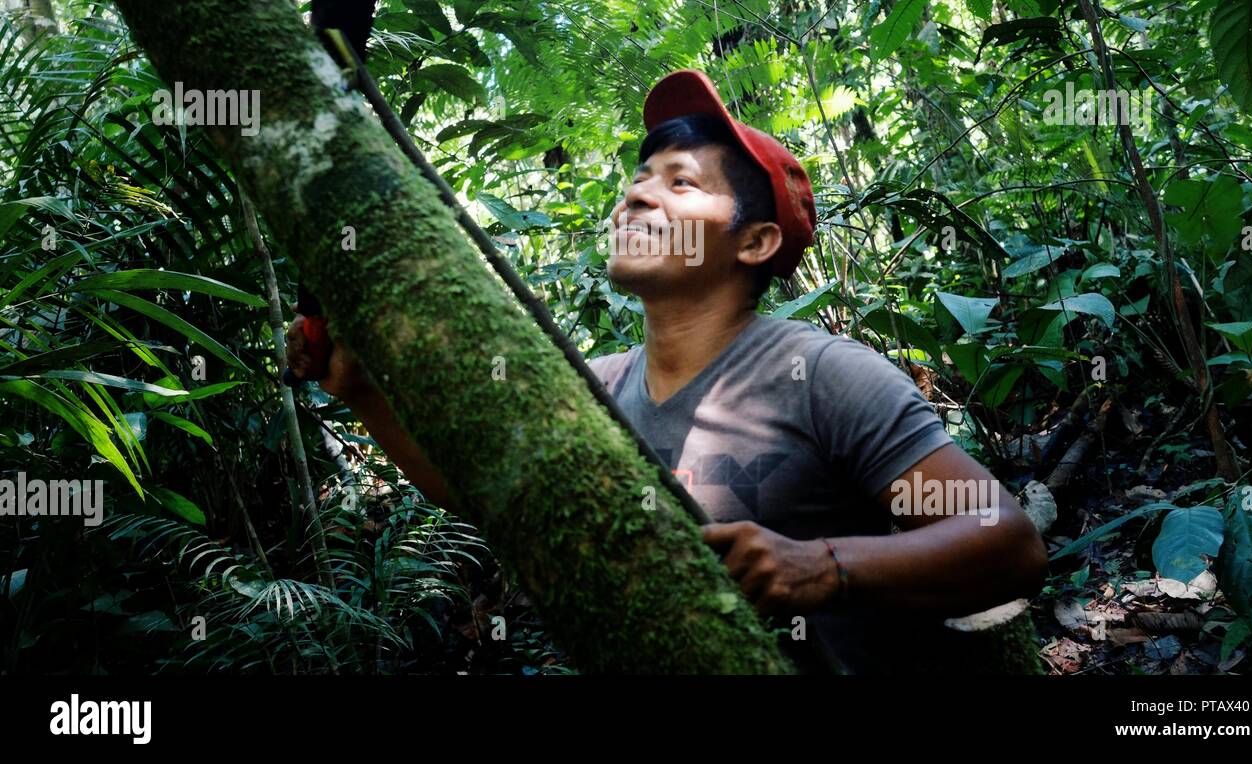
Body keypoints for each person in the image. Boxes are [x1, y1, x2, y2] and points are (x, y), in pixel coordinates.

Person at [288, 68, 1047, 674]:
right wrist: (360, 390)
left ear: (752, 243)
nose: (635, 193)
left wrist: (821, 566)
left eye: (680, 182)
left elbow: (1007, 543)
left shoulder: (823, 373)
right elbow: (476, 484)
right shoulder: (594, 385)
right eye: (640, 176)